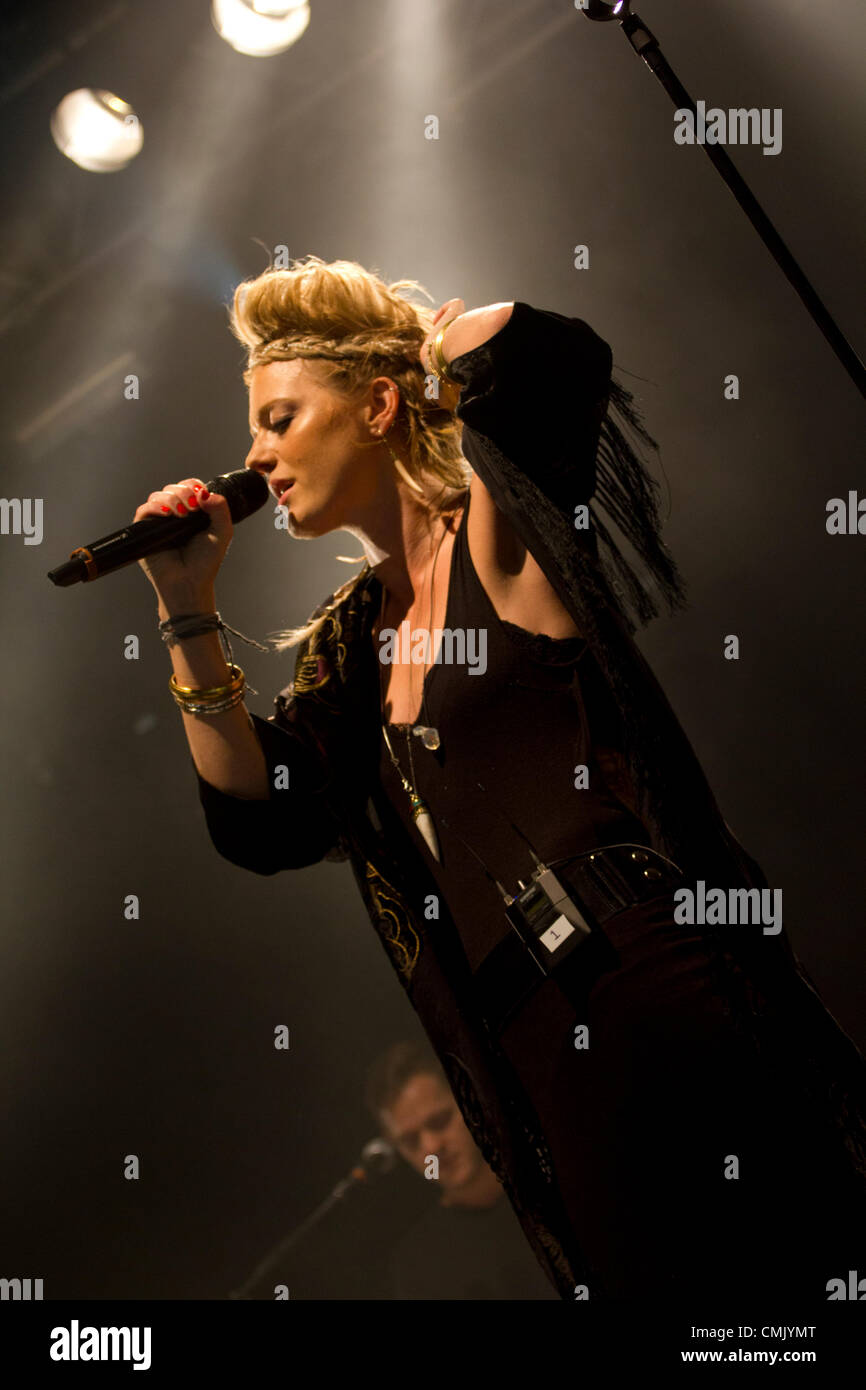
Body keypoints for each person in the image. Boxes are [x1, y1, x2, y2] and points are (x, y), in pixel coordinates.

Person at [133, 254, 866, 1303]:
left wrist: (429, 349)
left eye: (280, 418)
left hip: (636, 967)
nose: (255, 455)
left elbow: (551, 362)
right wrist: (183, 609)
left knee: (778, 1275)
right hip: (527, 1042)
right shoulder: (349, 655)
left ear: (377, 405)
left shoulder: (493, 529)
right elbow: (260, 818)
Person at [367, 1040, 557, 1299]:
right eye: (411, 1140)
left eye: (440, 1121)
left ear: (471, 1099)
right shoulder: (417, 1263)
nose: (432, 1146)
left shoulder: (553, 1185)